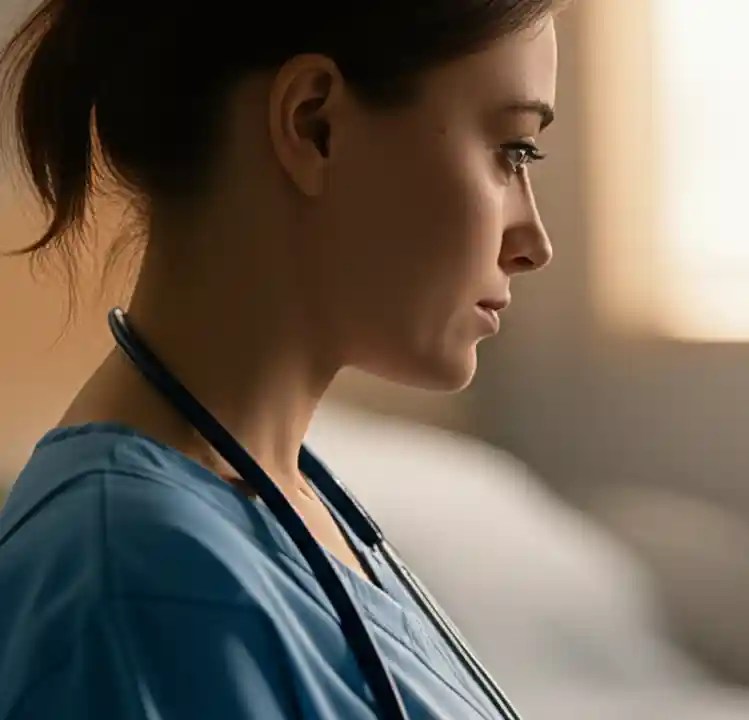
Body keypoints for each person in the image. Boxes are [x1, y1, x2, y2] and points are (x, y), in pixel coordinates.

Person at [0, 0, 560, 717]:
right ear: (314, 125)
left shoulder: (281, 512)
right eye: (513, 150)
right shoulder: (137, 583)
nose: (534, 242)